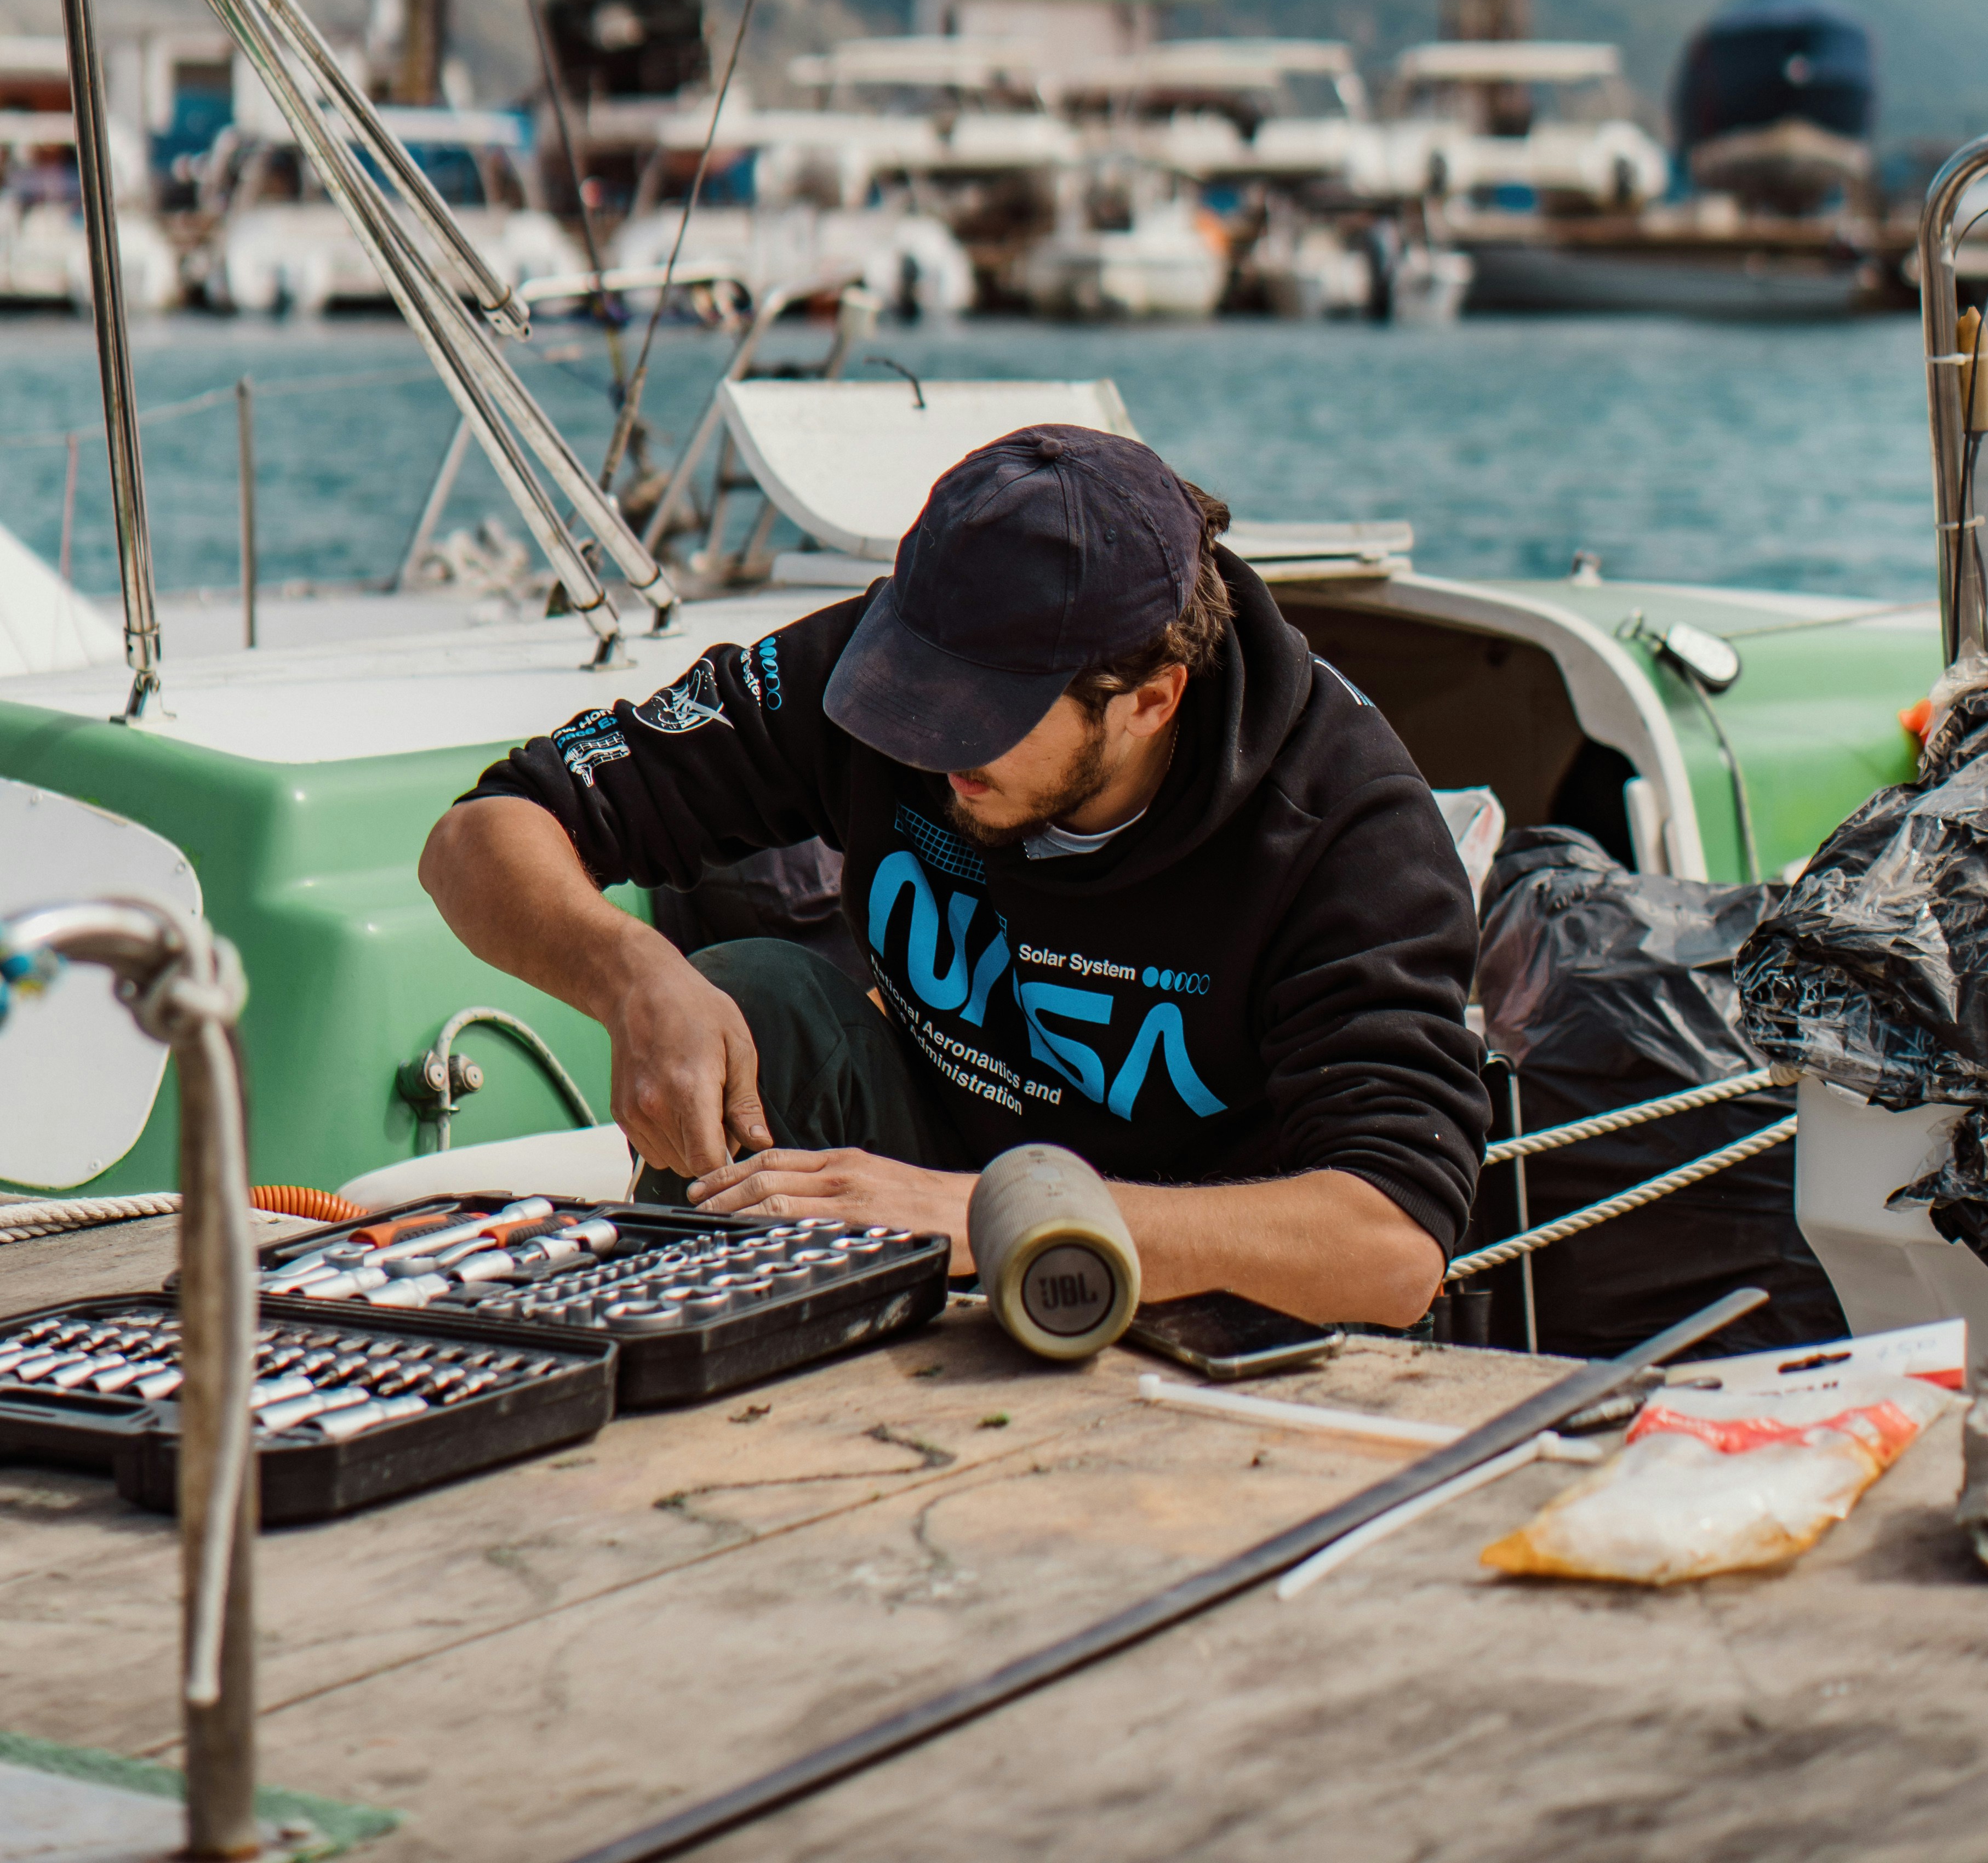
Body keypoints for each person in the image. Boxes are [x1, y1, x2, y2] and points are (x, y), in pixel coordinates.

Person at [421, 424, 1486, 1326]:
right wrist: (630, 979)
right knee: (758, 996)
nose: (929, 741)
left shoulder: (1343, 830)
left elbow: (1390, 1244)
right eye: (917, 689)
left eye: (985, 717)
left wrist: (990, 1211)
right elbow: (483, 834)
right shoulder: (875, 683)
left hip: (1200, 1276)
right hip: (935, 1176)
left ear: (1151, 700)